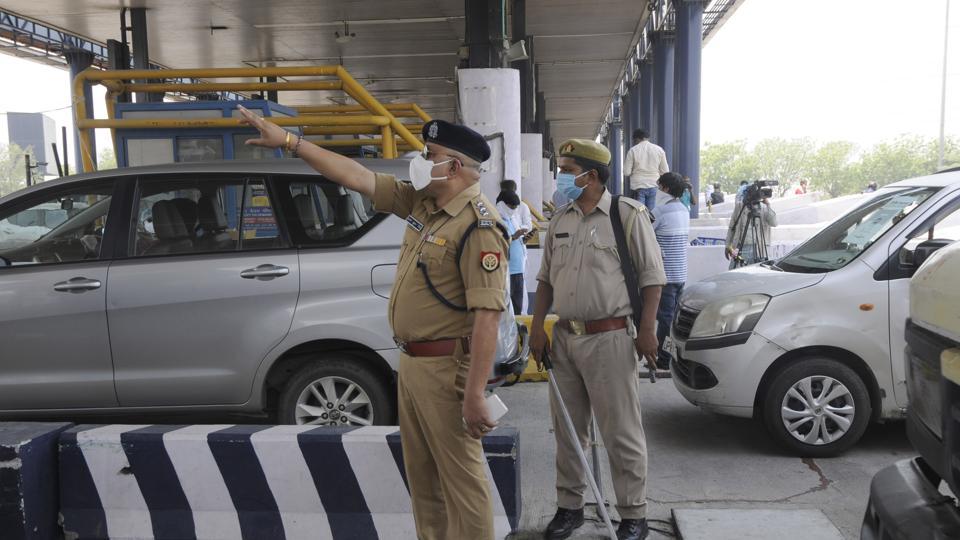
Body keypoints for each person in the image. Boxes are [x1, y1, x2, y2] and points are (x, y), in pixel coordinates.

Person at [238, 108, 508, 540]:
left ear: (454, 167)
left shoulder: (479, 227)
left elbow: (487, 319)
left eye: (429, 153)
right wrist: (290, 142)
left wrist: (475, 393)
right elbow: (356, 176)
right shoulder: (424, 203)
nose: (420, 159)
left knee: (462, 480)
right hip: (414, 366)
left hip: (447, 372)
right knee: (424, 480)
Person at [531, 138, 666, 540]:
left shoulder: (626, 214)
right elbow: (543, 280)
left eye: (568, 170)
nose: (562, 177)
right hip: (564, 340)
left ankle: (633, 514)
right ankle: (569, 508)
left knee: (620, 431)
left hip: (611, 339)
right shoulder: (560, 219)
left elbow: (653, 278)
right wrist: (537, 328)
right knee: (569, 431)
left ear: (591, 175)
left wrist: (647, 331)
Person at [651, 173, 690, 372]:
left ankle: (663, 358)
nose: (656, 189)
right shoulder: (684, 210)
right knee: (673, 318)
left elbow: (644, 235)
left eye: (658, 186)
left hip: (665, 275)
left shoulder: (659, 212)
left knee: (664, 319)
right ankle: (673, 356)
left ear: (665, 189)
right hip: (681, 273)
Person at [725, 188, 778, 269]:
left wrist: (768, 205)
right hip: (742, 248)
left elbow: (774, 223)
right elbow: (732, 227)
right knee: (734, 273)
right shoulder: (739, 206)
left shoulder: (764, 207)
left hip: (758, 248)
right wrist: (728, 245)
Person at [623, 129, 669, 212]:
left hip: (638, 186)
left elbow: (626, 172)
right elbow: (665, 171)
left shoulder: (633, 150)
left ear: (636, 139)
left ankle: (641, 224)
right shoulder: (659, 150)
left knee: (640, 212)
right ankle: (650, 225)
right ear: (647, 138)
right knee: (652, 213)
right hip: (654, 184)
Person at [499, 190, 527, 315]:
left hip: (518, 269)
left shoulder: (512, 219)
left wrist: (524, 238)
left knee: (517, 306)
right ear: (502, 204)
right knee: (506, 307)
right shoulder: (496, 221)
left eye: (516, 207)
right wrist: (514, 236)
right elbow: (498, 242)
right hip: (506, 271)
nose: (514, 210)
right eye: (511, 207)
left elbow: (516, 240)